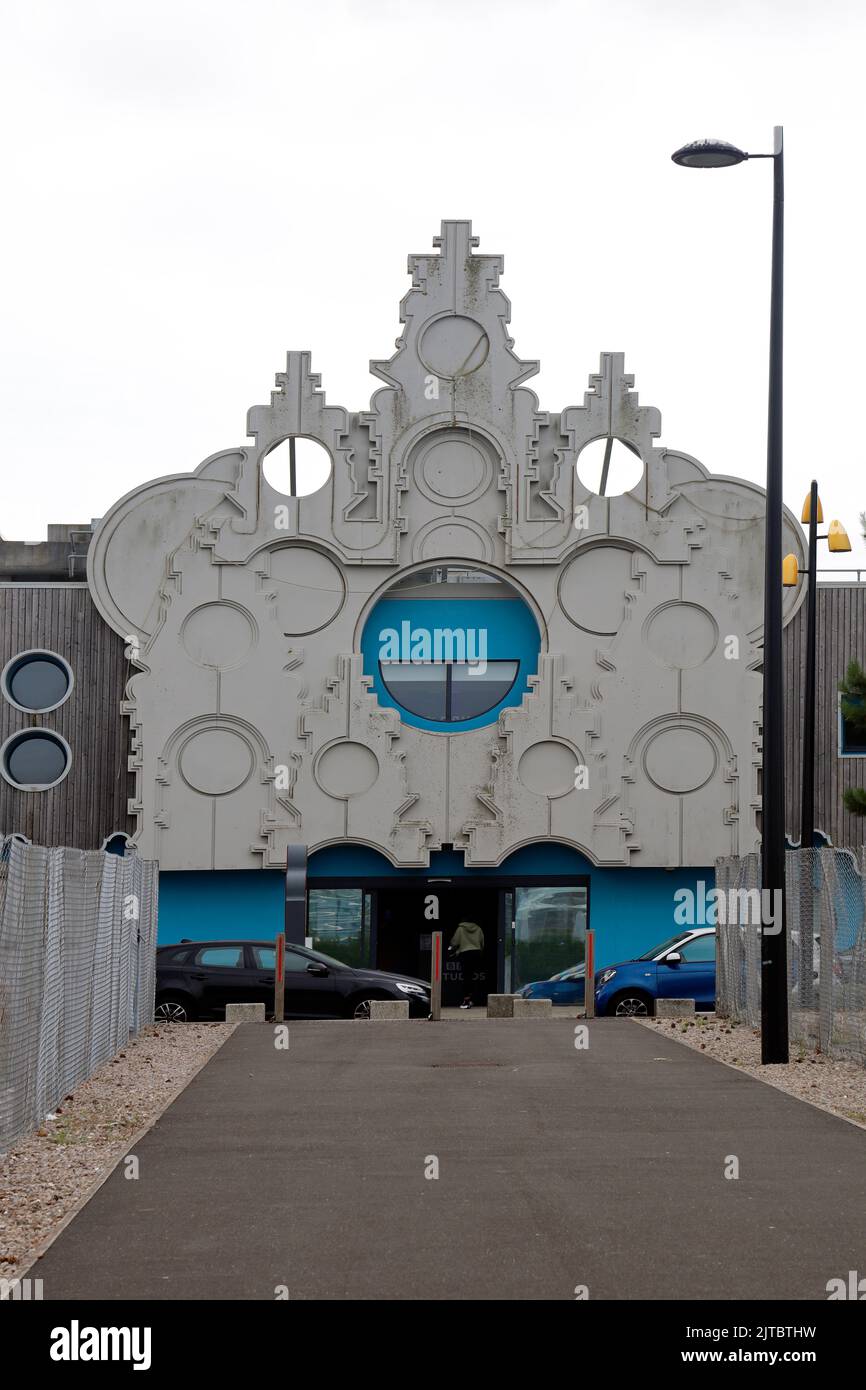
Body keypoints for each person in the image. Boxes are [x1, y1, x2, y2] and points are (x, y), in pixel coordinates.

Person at [448, 920, 485, 1009]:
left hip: (465, 953)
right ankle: (472, 998)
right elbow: (482, 942)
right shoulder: (478, 928)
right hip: (476, 953)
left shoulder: (460, 929)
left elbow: (455, 942)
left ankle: (466, 1000)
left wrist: (453, 948)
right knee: (473, 976)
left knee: (466, 976)